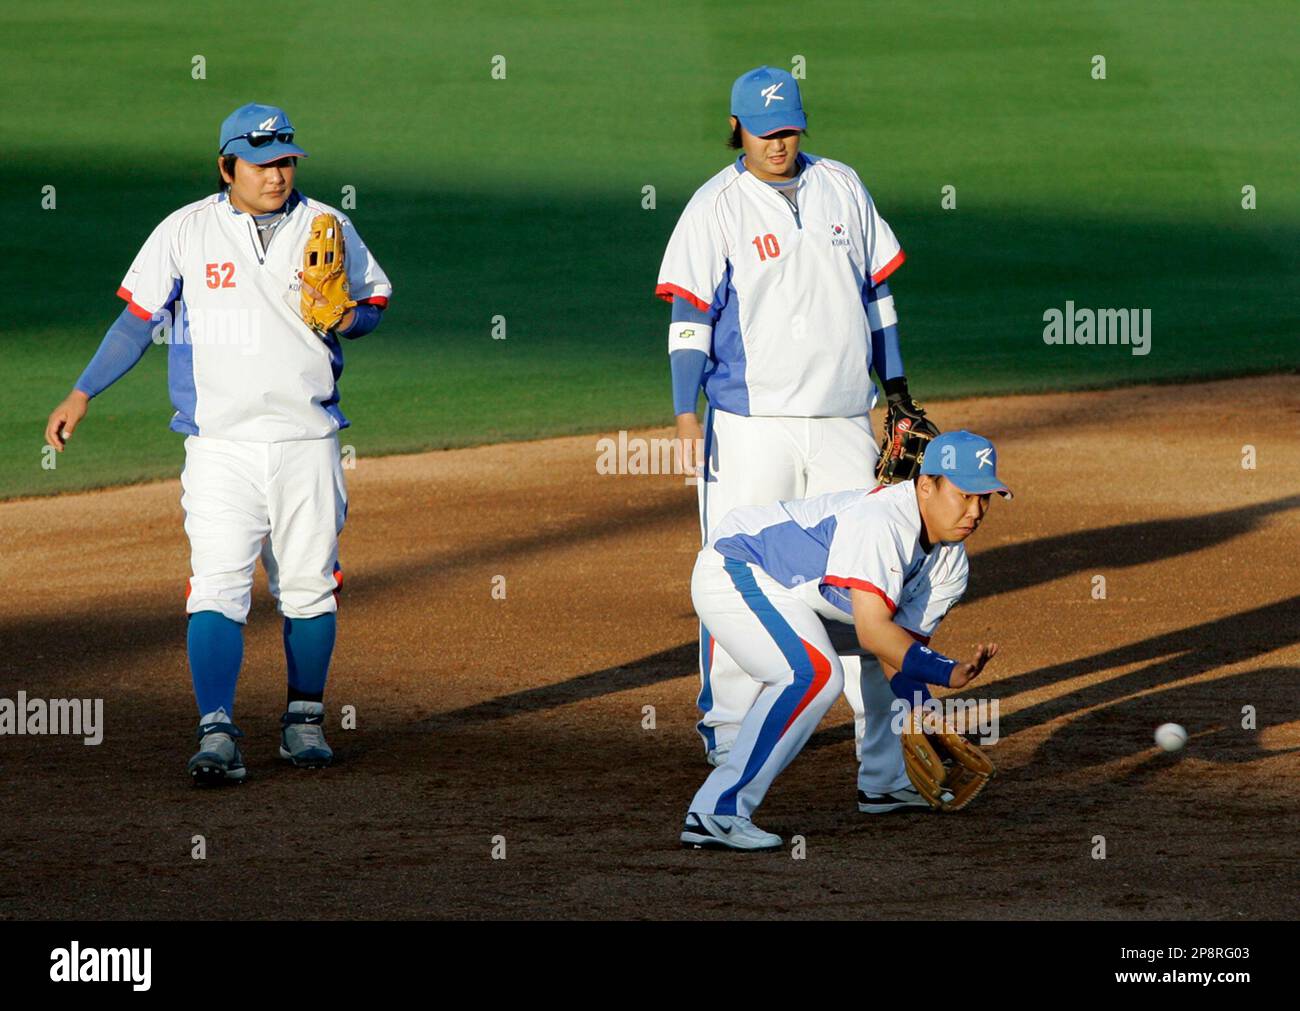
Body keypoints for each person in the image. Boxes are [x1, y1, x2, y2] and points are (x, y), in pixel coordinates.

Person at [43, 103, 393, 785]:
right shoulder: (185, 232)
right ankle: (217, 732)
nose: (278, 174)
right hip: (220, 446)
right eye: (263, 163)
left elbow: (374, 304)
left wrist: (348, 315)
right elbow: (136, 322)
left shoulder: (328, 225)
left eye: (286, 160)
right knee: (217, 587)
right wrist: (81, 392)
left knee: (309, 587)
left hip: (307, 438)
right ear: (227, 165)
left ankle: (303, 722)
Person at [655, 65, 940, 810]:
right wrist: (686, 412)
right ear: (738, 129)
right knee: (737, 573)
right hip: (749, 431)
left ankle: (882, 770)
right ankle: (726, 731)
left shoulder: (842, 186)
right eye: (765, 131)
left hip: (845, 425)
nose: (779, 143)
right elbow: (688, 321)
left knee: (867, 583)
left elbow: (878, 299)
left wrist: (898, 392)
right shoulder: (713, 208)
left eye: (789, 130)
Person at [680, 431, 1010, 850]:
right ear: (926, 485)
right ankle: (717, 811)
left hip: (801, 599)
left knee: (887, 653)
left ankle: (886, 783)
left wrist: (925, 713)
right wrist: (948, 672)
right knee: (814, 674)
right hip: (737, 567)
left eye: (986, 498)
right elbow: (872, 630)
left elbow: (897, 649)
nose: (976, 511)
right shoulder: (883, 522)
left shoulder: (950, 563)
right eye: (965, 495)